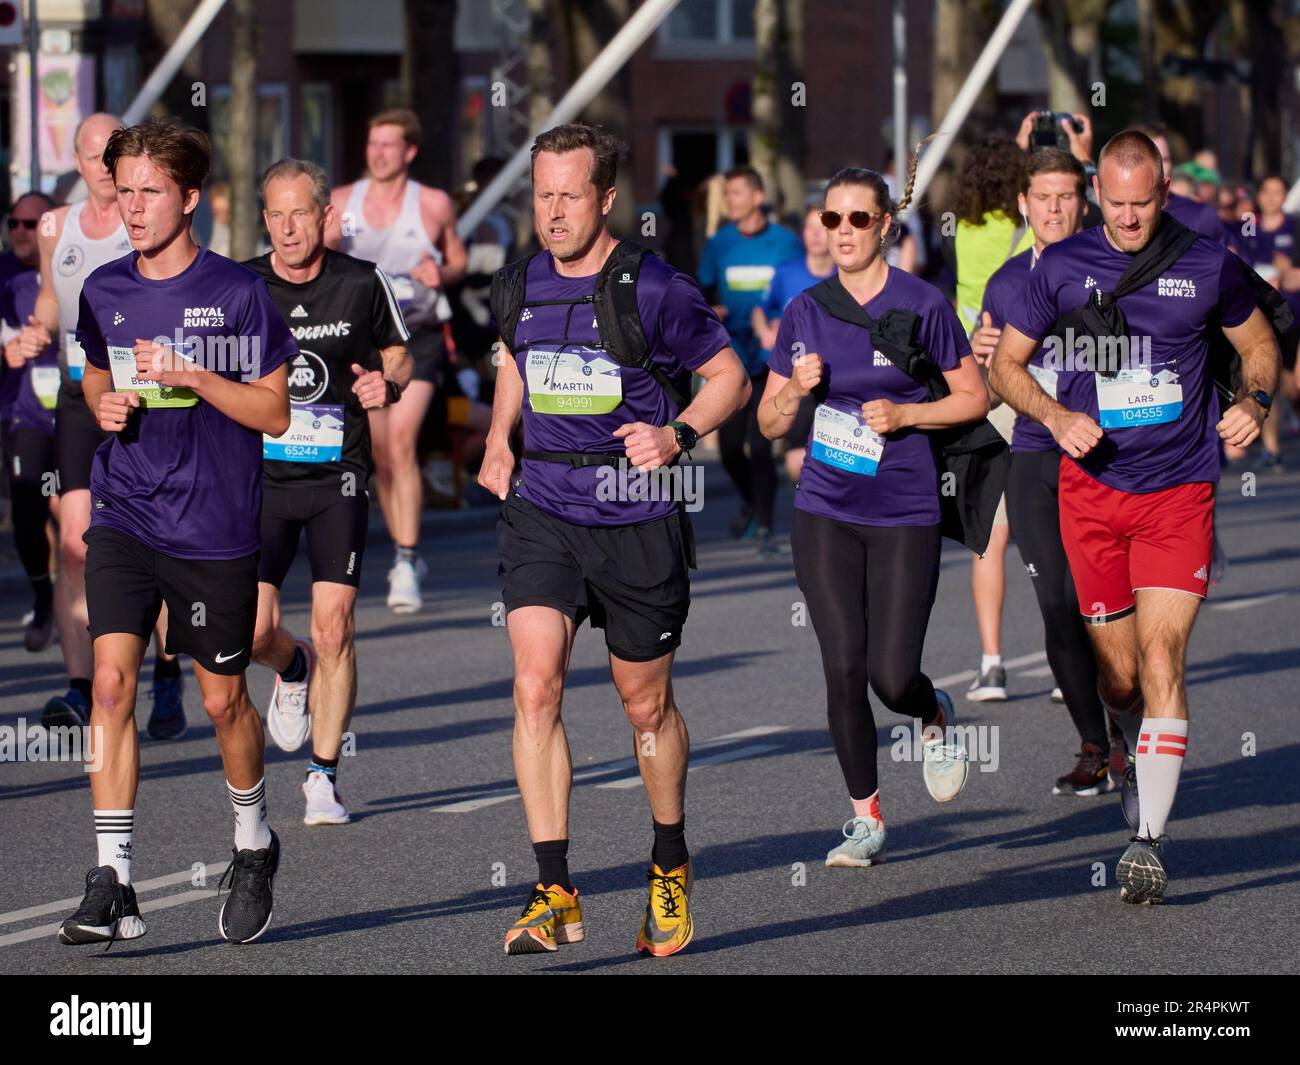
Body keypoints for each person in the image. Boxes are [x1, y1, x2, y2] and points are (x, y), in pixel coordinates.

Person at [480, 123, 748, 957]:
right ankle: (553, 885)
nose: (553, 211)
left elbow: (731, 375)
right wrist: (498, 436)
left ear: (605, 199)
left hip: (637, 512)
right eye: (541, 194)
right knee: (534, 685)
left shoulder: (654, 288)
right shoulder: (518, 281)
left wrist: (677, 434)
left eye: (569, 195)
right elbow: (514, 357)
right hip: (545, 508)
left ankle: (669, 860)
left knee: (645, 706)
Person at [990, 129, 1279, 904]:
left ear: (1163, 194)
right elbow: (1003, 366)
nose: (1126, 218)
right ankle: (1122, 737)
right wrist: (1053, 418)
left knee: (1162, 661)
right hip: (1090, 495)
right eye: (1113, 204)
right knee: (1117, 675)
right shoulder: (1059, 267)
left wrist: (1254, 399)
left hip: (1180, 492)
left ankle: (1147, 840)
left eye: (1141, 204)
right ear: (1096, 194)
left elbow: (1259, 342)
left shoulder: (1206, 260)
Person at [56, 118, 297, 946]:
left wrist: (194, 372)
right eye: (122, 190)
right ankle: (113, 880)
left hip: (215, 526)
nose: (132, 207)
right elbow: (92, 371)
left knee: (223, 698)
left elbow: (275, 410)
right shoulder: (108, 290)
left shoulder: (239, 293)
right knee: (112, 685)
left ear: (189, 197)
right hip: (125, 512)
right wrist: (104, 404)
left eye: (150, 191)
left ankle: (255, 842)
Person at [757, 157, 989, 868]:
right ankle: (865, 817)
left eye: (859, 218)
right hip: (826, 505)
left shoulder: (923, 304)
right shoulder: (804, 310)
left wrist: (909, 414)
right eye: (832, 218)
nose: (844, 231)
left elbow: (974, 397)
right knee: (842, 664)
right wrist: (794, 391)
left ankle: (931, 712)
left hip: (904, 507)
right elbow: (768, 422)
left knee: (892, 674)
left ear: (886, 225)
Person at [245, 158, 413, 824]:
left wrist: (386, 383)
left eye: (300, 213)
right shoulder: (242, 285)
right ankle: (292, 669)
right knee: (252, 628)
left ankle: (322, 775)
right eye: (276, 214)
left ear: (325, 217)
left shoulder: (361, 283)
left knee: (335, 623)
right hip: (259, 478)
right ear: (266, 219)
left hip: (337, 474)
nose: (289, 228)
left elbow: (398, 351)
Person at [23, 114, 188, 740]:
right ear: (76, 159)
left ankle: (168, 671)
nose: (102, 168)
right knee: (72, 539)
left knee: (159, 536)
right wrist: (38, 329)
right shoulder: (53, 226)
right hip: (78, 391)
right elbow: (48, 296)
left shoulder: (144, 223)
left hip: (145, 392)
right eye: (92, 156)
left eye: (112, 157)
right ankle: (81, 686)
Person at [972, 149, 1112, 795]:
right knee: (1055, 603)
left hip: (1105, 451)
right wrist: (982, 365)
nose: (1054, 207)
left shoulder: (1112, 268)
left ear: (1082, 203)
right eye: (1043, 196)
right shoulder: (1003, 283)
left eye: (1066, 196)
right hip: (1034, 450)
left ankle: (1131, 733)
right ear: (1022, 204)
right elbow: (987, 393)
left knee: (1104, 606)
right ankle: (1093, 745)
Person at [328, 108, 467, 613]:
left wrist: (442, 274)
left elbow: (457, 258)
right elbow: (322, 255)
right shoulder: (343, 202)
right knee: (381, 455)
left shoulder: (431, 203)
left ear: (409, 151)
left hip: (418, 337)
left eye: (389, 145)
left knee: (402, 441)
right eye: (372, 144)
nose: (378, 153)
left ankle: (406, 560)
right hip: (364, 340)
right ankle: (404, 550)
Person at [952, 134, 1034, 701]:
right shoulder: (1023, 231)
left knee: (990, 537)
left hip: (973, 378)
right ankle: (1064, 658)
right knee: (1048, 534)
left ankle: (991, 662)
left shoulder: (966, 230)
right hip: (1022, 372)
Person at [696, 165, 801, 554]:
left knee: (759, 447)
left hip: (771, 357)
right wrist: (712, 311)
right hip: (730, 358)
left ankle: (764, 525)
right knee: (728, 449)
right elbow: (701, 292)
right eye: (727, 195)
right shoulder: (720, 242)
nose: (730, 201)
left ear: (758, 196)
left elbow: (798, 291)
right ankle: (751, 502)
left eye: (737, 193)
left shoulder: (786, 243)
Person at [1, 192, 59, 651]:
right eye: (14, 223)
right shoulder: (7, 278)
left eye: (30, 223)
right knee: (28, 512)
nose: (20, 231)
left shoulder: (78, 268)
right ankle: (46, 594)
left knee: (77, 514)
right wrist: (8, 349)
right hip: (25, 411)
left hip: (83, 409)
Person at [753, 203, 835, 483]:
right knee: (795, 462)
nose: (814, 235)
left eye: (822, 228)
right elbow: (761, 310)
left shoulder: (844, 277)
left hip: (834, 379)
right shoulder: (787, 272)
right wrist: (765, 330)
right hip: (794, 377)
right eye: (809, 228)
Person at [1225, 174, 1297, 470]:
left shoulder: (1295, 227)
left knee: (1293, 387)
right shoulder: (1247, 225)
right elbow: (1234, 259)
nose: (1270, 198)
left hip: (1295, 316)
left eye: (1277, 192)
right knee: (1267, 385)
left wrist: (1289, 273)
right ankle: (1271, 449)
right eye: (1266, 191)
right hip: (1261, 319)